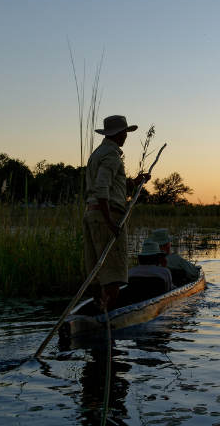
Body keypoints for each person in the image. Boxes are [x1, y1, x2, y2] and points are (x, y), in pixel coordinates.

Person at [84, 115, 151, 312]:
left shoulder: (98, 153)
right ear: (120, 133)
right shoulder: (111, 155)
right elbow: (102, 189)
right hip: (107, 216)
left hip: (92, 216)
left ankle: (98, 314)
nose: (126, 137)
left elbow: (113, 185)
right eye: (125, 133)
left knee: (97, 272)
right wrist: (111, 223)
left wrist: (136, 182)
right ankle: (106, 319)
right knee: (113, 272)